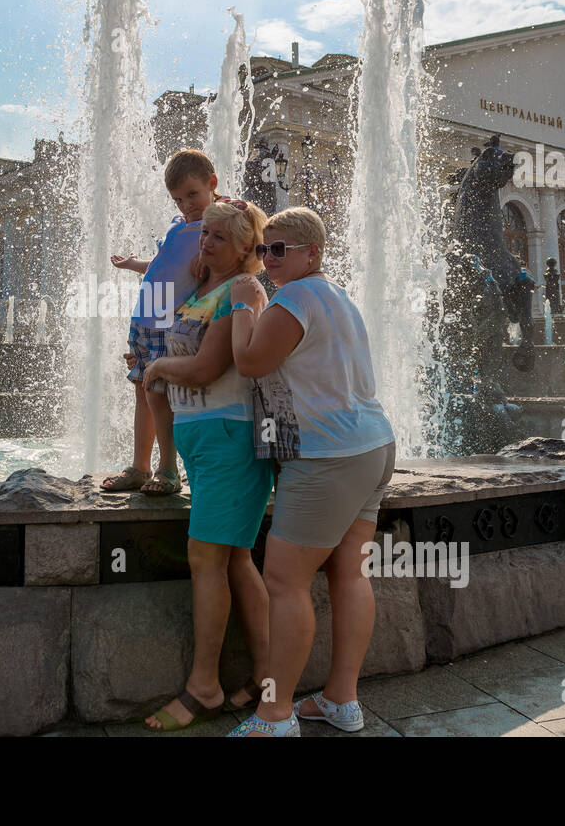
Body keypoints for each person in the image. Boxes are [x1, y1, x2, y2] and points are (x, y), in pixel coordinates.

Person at [225, 207, 397, 738]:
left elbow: (251, 361)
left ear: (311, 252)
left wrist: (242, 307)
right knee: (349, 573)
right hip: (373, 446)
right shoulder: (338, 295)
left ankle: (275, 716)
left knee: (283, 581)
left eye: (280, 250)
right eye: (264, 249)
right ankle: (341, 701)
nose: (269, 259)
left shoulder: (295, 297)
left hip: (326, 458)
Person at [136, 199, 273, 731]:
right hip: (204, 441)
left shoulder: (244, 290)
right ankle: (266, 678)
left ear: (246, 247)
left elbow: (208, 367)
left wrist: (159, 366)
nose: (206, 243)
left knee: (207, 558)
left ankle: (204, 688)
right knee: (235, 560)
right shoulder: (204, 290)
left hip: (229, 438)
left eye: (218, 236)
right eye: (204, 235)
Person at [103, 149, 225, 496]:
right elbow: (161, 264)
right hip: (144, 319)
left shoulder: (215, 222)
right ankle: (140, 466)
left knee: (160, 394)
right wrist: (133, 264)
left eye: (192, 195)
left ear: (212, 184)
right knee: (143, 392)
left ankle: (168, 468)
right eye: (177, 199)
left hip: (168, 320)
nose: (186, 205)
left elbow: (243, 234)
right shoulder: (178, 225)